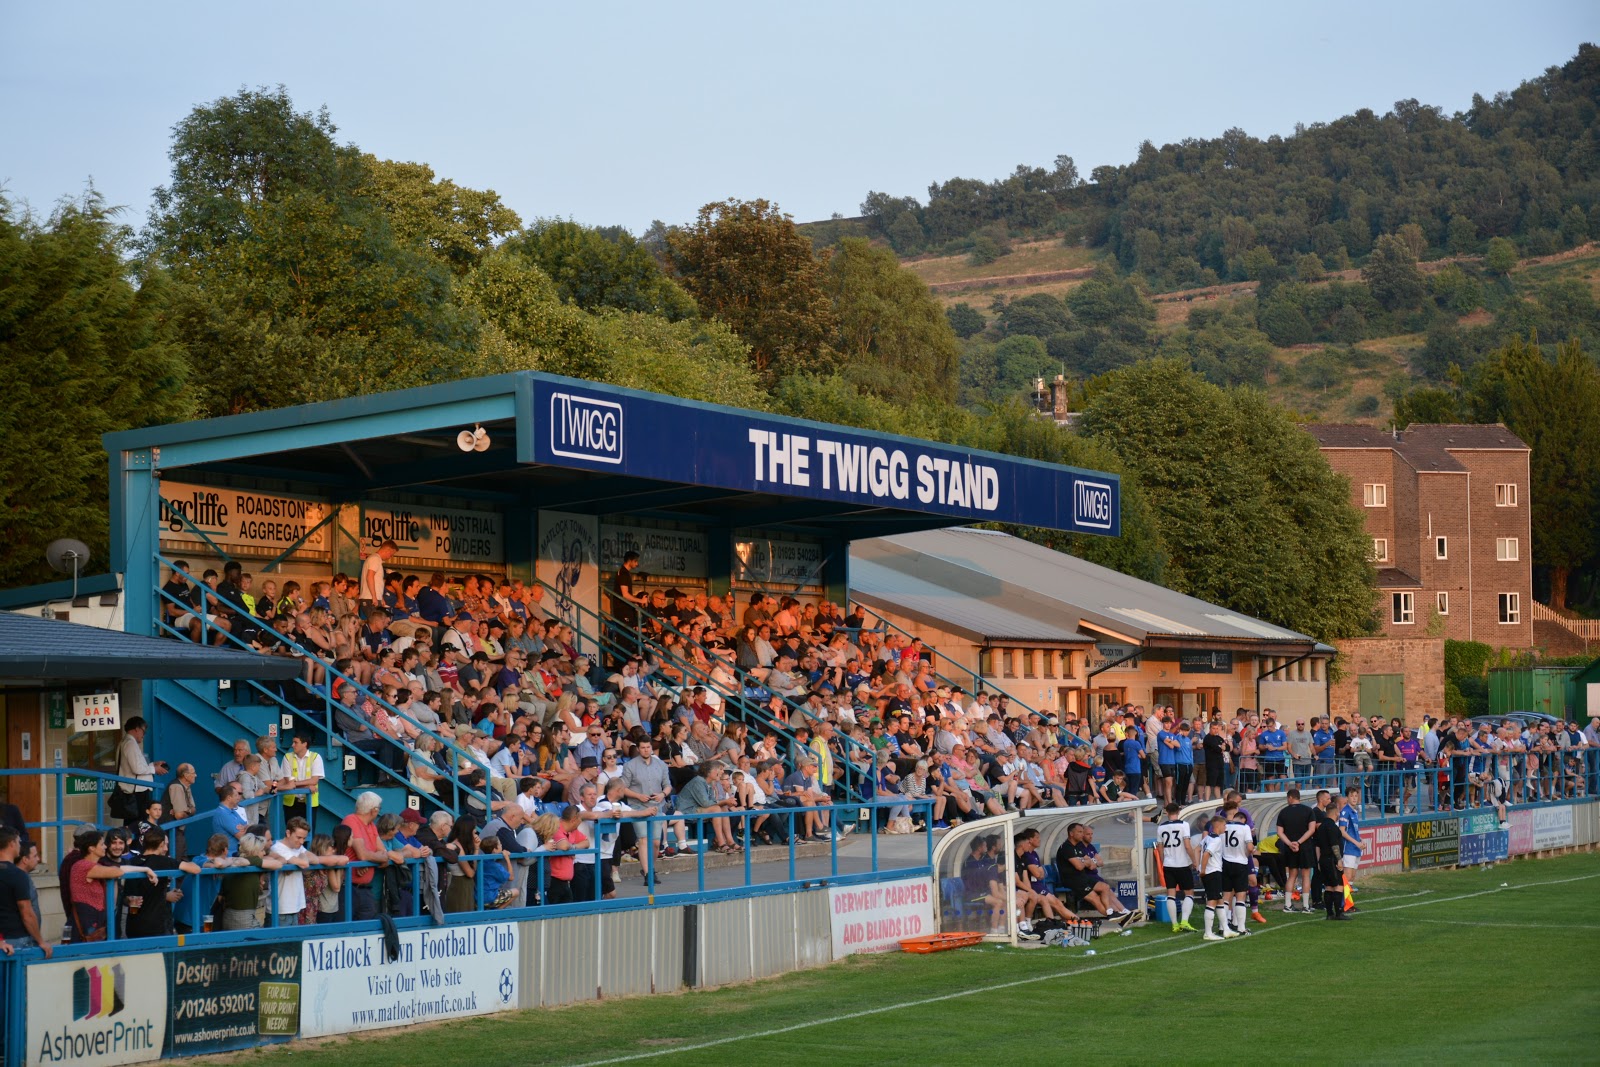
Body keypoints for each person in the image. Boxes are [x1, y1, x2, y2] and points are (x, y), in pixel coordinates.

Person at [118, 830, 202, 939]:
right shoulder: (163, 861)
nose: (166, 849)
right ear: (161, 844)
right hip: (156, 927)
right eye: (165, 845)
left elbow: (126, 897)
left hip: (133, 926)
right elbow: (195, 869)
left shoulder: (132, 862)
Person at [0, 828, 49, 956]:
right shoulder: (17, 874)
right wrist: (41, 941)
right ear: (11, 843)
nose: (20, 845)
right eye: (18, 842)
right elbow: (26, 912)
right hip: (17, 940)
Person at [116, 716, 168, 826]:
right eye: (143, 731)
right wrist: (154, 769)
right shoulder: (130, 743)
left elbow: (137, 766)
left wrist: (152, 765)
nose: (143, 735)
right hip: (136, 792)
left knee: (135, 824)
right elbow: (137, 769)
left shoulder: (127, 742)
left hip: (136, 790)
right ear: (137, 729)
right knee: (138, 824)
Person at [1154, 803, 1197, 933]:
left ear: (1166, 812)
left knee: (1171, 894)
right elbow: (1187, 846)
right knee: (1189, 893)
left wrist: (1163, 861)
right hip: (1182, 864)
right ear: (1178, 811)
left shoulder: (1161, 827)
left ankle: (1174, 924)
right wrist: (1194, 860)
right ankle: (1184, 921)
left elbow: (1160, 848)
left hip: (1168, 864)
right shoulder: (1184, 825)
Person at [1274, 788, 1317, 914]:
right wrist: (1299, 842)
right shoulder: (1308, 810)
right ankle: (1305, 906)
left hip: (1290, 848)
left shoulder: (1283, 812)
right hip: (1305, 846)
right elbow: (1311, 830)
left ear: (1290, 798)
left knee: (1292, 875)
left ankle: (1287, 905)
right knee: (1305, 875)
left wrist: (1290, 843)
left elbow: (1279, 832)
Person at [1219, 802, 1255, 936]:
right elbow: (1250, 848)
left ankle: (1223, 926)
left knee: (1226, 896)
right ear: (1236, 811)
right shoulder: (1244, 828)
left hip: (1225, 862)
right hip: (1240, 863)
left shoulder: (1222, 827)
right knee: (1240, 896)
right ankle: (1241, 928)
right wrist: (1245, 855)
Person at [1314, 798, 1349, 921]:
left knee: (1328, 886)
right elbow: (1335, 845)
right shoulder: (1333, 828)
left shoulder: (1321, 827)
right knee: (1338, 886)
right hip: (1332, 860)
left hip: (1323, 860)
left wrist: (1318, 861)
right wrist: (1339, 860)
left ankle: (1329, 914)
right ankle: (1338, 913)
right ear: (1335, 813)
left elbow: (1317, 846)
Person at [1197, 816, 1230, 941]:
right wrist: (1203, 869)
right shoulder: (1215, 840)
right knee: (1212, 901)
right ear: (1218, 826)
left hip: (1212, 872)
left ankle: (1226, 929)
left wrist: (1198, 865)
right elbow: (1205, 854)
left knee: (1219, 899)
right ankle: (1208, 933)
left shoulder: (1207, 838)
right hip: (1212, 872)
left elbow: (1197, 849)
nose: (1225, 827)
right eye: (1224, 825)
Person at [1336, 786, 1363, 908]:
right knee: (1346, 877)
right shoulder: (1345, 812)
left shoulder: (1354, 811)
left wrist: (1360, 841)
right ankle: (1343, 904)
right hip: (1348, 849)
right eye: (1351, 796)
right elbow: (1342, 831)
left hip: (1356, 848)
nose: (1354, 798)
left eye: (1356, 796)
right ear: (1347, 798)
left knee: (1351, 877)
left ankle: (1348, 903)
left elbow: (1354, 831)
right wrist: (1356, 843)